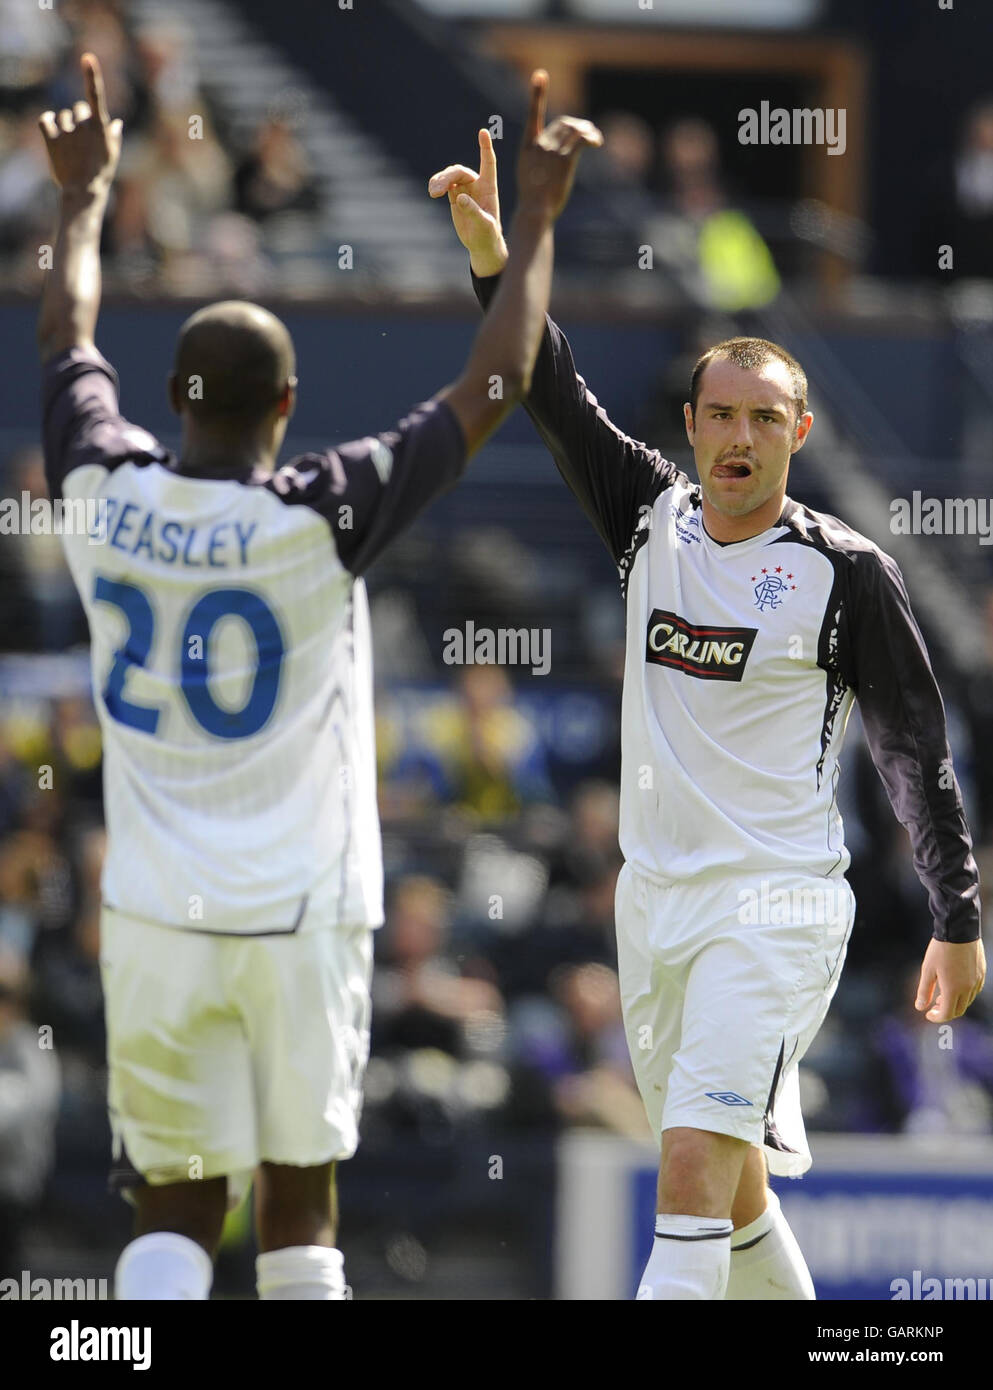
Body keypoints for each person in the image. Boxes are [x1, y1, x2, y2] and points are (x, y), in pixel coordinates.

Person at [35, 52, 601, 1301]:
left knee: (175, 1199)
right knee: (301, 1203)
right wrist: (538, 223)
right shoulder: (319, 514)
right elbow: (495, 384)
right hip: (300, 909)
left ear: (172, 400)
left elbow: (65, 335)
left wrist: (83, 201)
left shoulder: (100, 494)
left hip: (151, 908)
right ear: (288, 403)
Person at [428, 125, 986, 1301]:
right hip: (657, 903)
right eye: (720, 414)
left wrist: (959, 916)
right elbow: (545, 379)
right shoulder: (647, 521)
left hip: (773, 909)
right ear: (691, 425)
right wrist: (499, 250)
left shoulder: (847, 574)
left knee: (686, 1167)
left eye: (763, 419)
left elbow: (915, 755)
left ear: (801, 432)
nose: (738, 437)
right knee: (733, 1197)